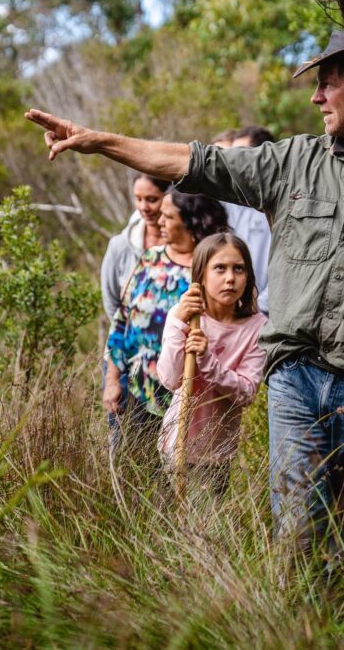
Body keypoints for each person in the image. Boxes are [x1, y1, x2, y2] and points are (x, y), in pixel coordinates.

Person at [27, 29, 344, 563]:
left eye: (327, 84)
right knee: (295, 530)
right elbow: (193, 162)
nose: (316, 98)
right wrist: (97, 140)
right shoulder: (294, 161)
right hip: (295, 371)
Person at [103, 188, 228, 459]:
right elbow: (122, 320)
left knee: (182, 481)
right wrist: (112, 379)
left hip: (189, 402)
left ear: (191, 221)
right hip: (138, 392)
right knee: (133, 478)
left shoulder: (215, 269)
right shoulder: (151, 259)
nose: (159, 221)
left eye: (168, 216)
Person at [156, 233, 268, 493]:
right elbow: (170, 379)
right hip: (175, 445)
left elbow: (246, 392)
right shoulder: (186, 316)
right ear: (201, 276)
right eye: (220, 268)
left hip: (216, 455)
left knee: (204, 529)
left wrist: (207, 359)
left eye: (238, 269)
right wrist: (177, 324)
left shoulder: (257, 327)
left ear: (248, 276)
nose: (230, 278)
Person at [213, 126, 274, 314]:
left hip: (267, 315)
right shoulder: (223, 203)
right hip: (230, 312)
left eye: (241, 155)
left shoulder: (279, 204)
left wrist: (258, 307)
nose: (233, 163)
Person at [99, 173, 169, 320]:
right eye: (138, 199)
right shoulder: (119, 246)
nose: (144, 207)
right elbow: (111, 302)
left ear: (168, 197)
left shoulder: (186, 246)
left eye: (152, 199)